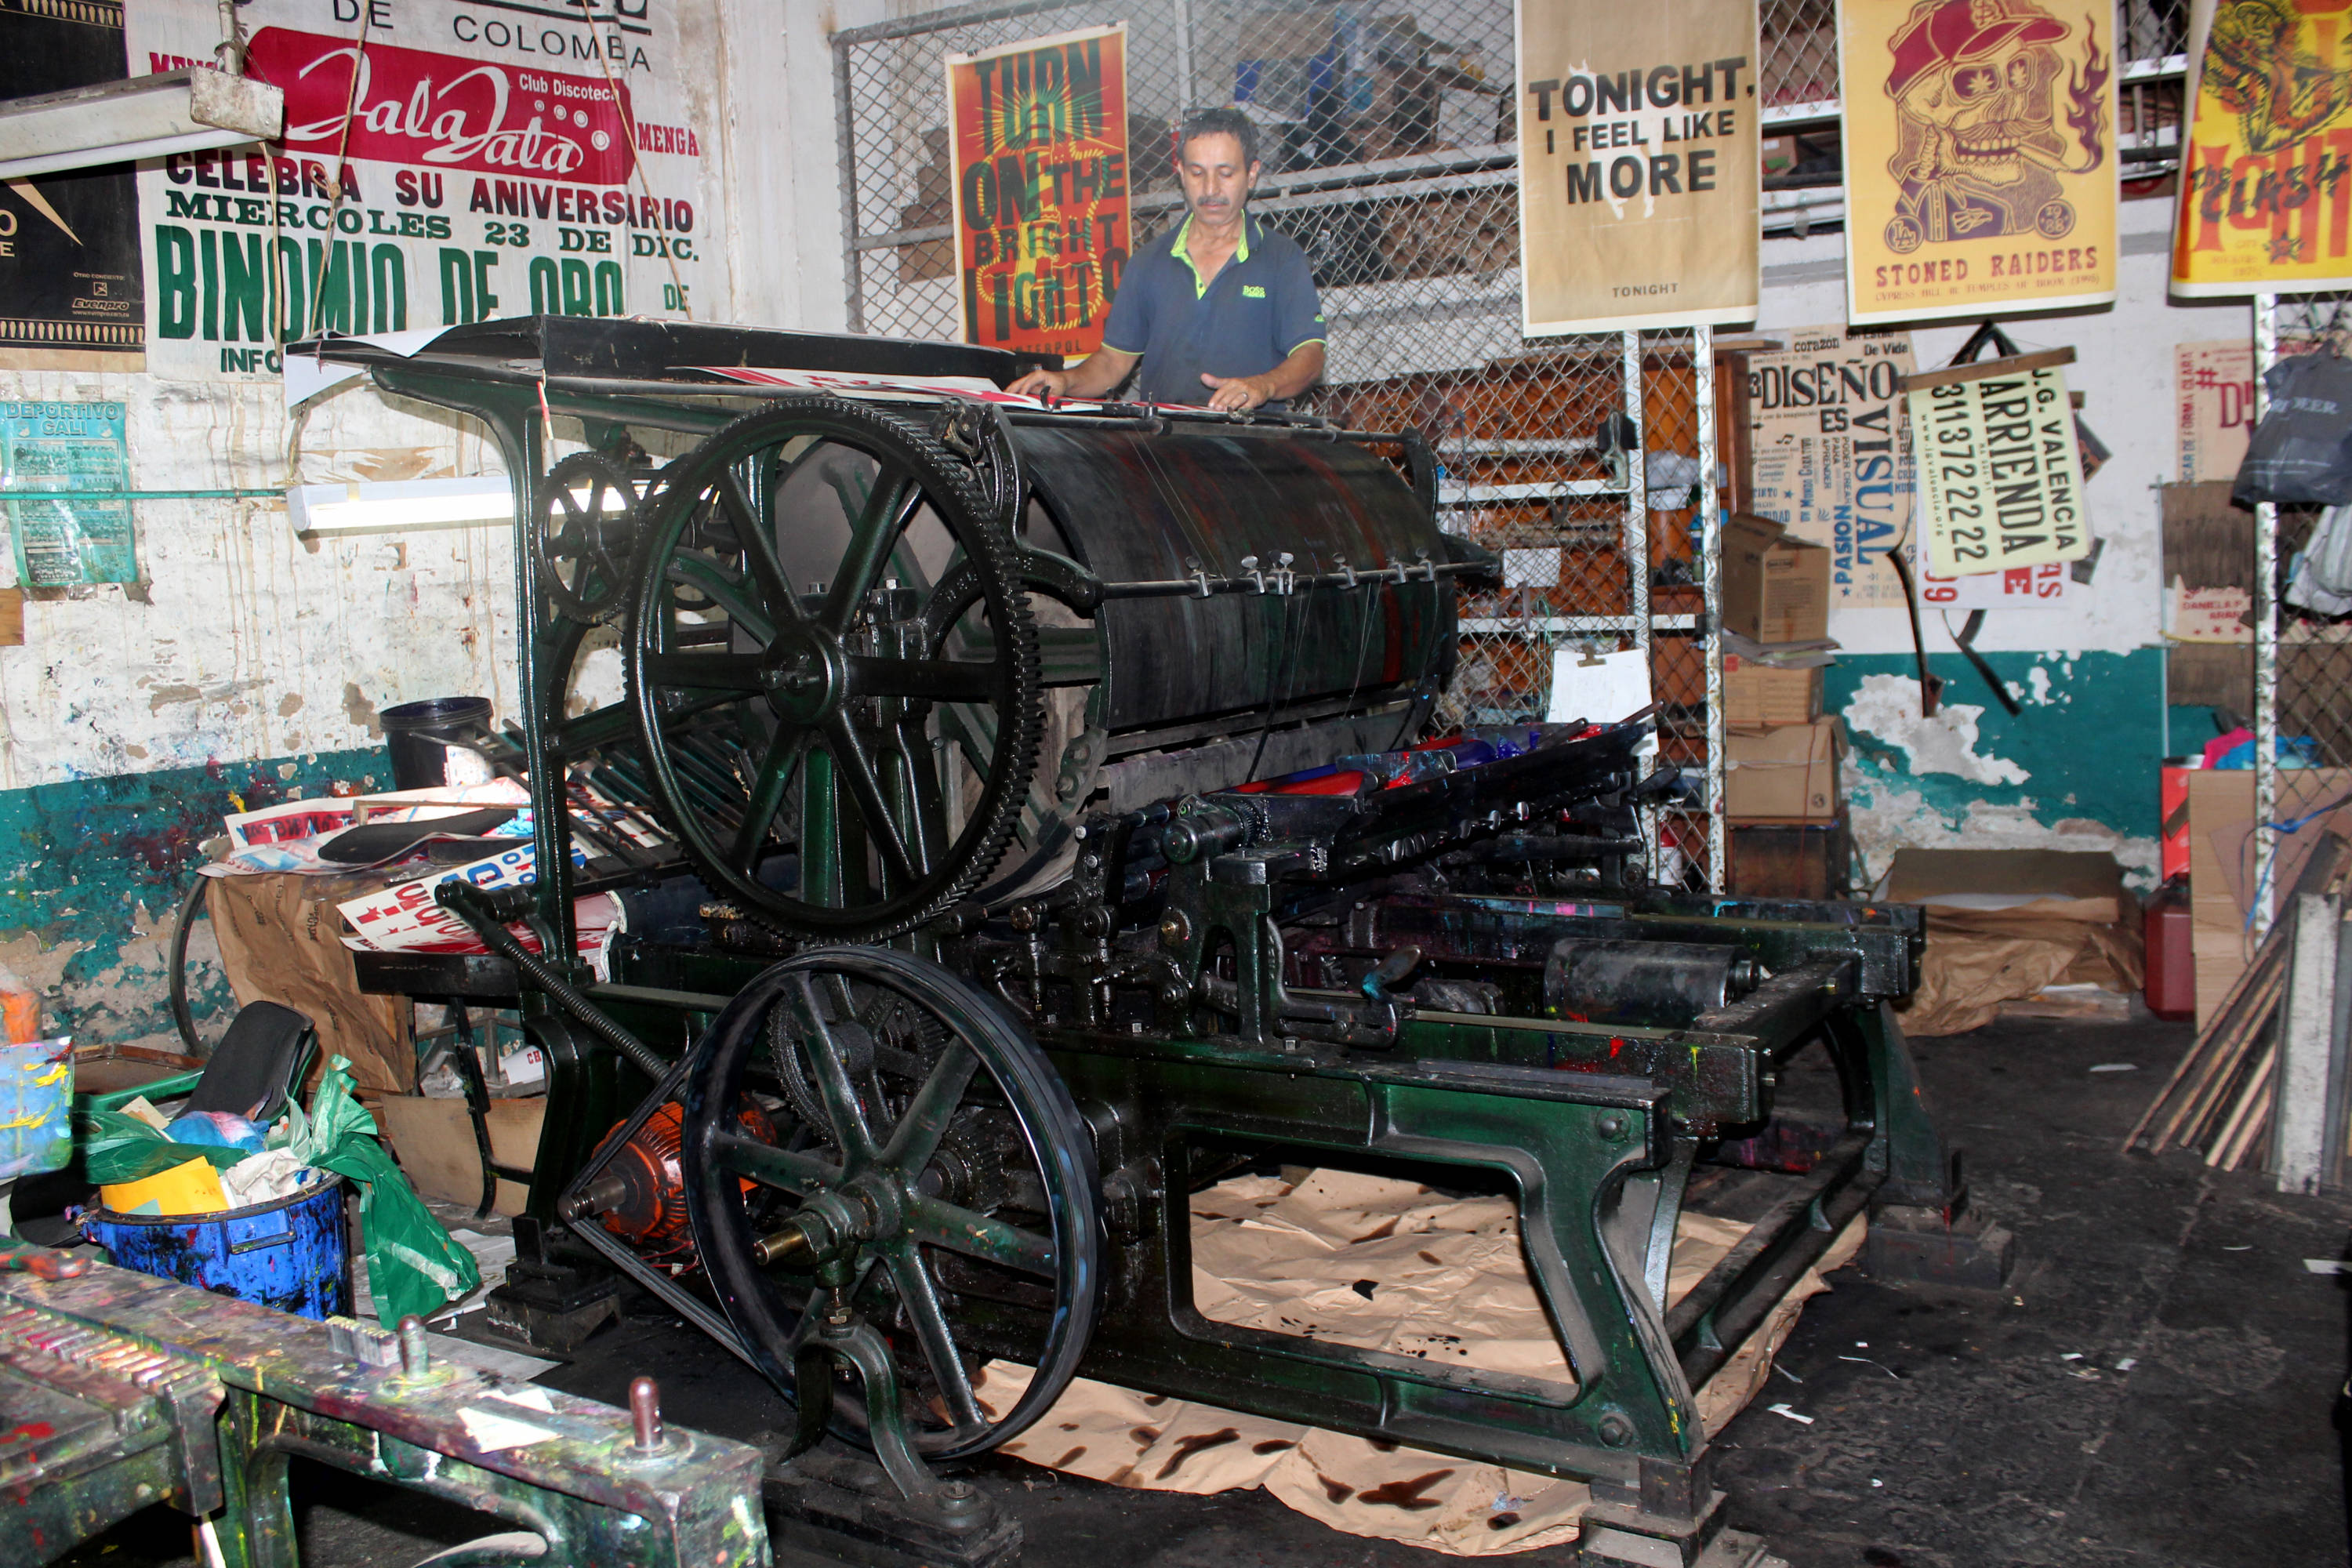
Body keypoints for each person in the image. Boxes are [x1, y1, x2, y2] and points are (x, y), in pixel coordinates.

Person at [1007, 107, 1326, 412]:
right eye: (1197, 173)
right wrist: (1065, 380)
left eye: (1226, 173)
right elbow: (1112, 362)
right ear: (1180, 174)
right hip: (1167, 446)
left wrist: (1263, 387)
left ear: (1252, 174)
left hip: (1257, 441)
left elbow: (1310, 356)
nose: (1211, 189)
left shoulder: (1282, 259)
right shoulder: (1148, 263)